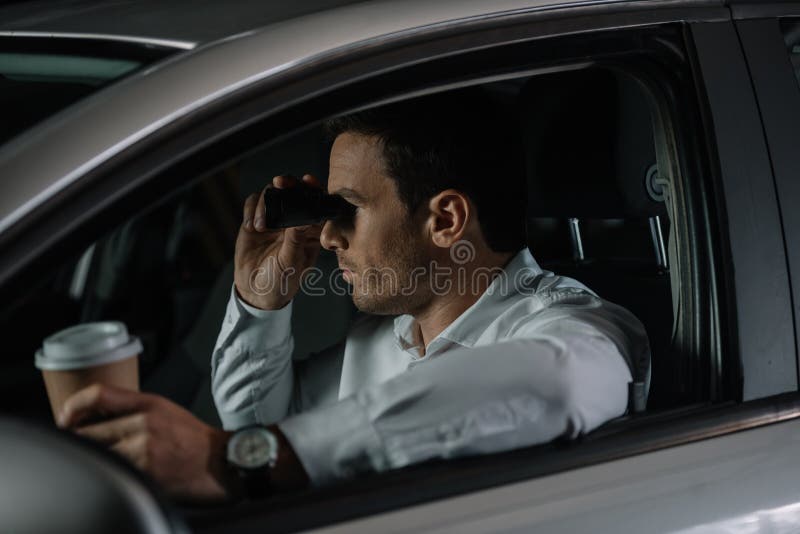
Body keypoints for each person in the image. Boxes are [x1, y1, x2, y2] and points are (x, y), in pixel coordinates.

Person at [58, 89, 650, 502]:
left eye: (352, 210)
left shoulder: (578, 328)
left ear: (445, 219)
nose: (329, 235)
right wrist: (260, 302)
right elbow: (260, 425)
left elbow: (556, 384)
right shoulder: (382, 338)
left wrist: (234, 461)